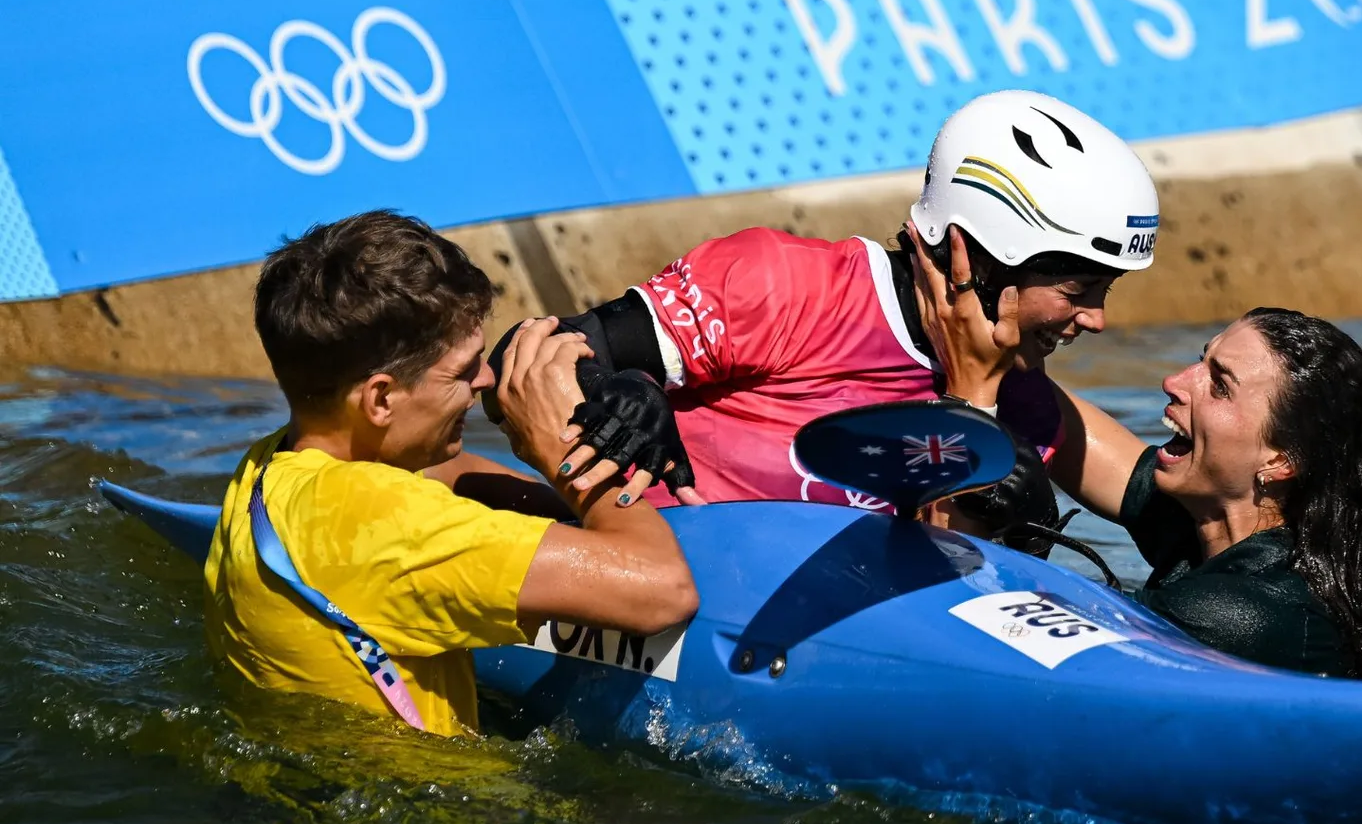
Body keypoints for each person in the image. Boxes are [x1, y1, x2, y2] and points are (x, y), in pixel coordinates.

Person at [486, 89, 1161, 551]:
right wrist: (617, 393)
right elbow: (515, 359)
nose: (1097, 319)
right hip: (645, 592)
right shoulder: (782, 284)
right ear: (979, 256)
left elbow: (1173, 500)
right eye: (1079, 289)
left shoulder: (1015, 391)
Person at [204, 211, 699, 738]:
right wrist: (565, 450)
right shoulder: (392, 528)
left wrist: (566, 511)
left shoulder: (277, 466)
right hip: (440, 810)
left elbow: (444, 473)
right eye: (464, 371)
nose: (486, 379)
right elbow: (663, 592)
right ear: (381, 398)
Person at [916, 246, 1362, 680]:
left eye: (1219, 385)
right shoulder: (1215, 520)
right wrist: (1006, 335)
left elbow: (966, 625)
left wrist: (970, 397)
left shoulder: (1237, 613)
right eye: (1200, 359)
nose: (1175, 381)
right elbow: (1060, 430)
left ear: (1279, 462)